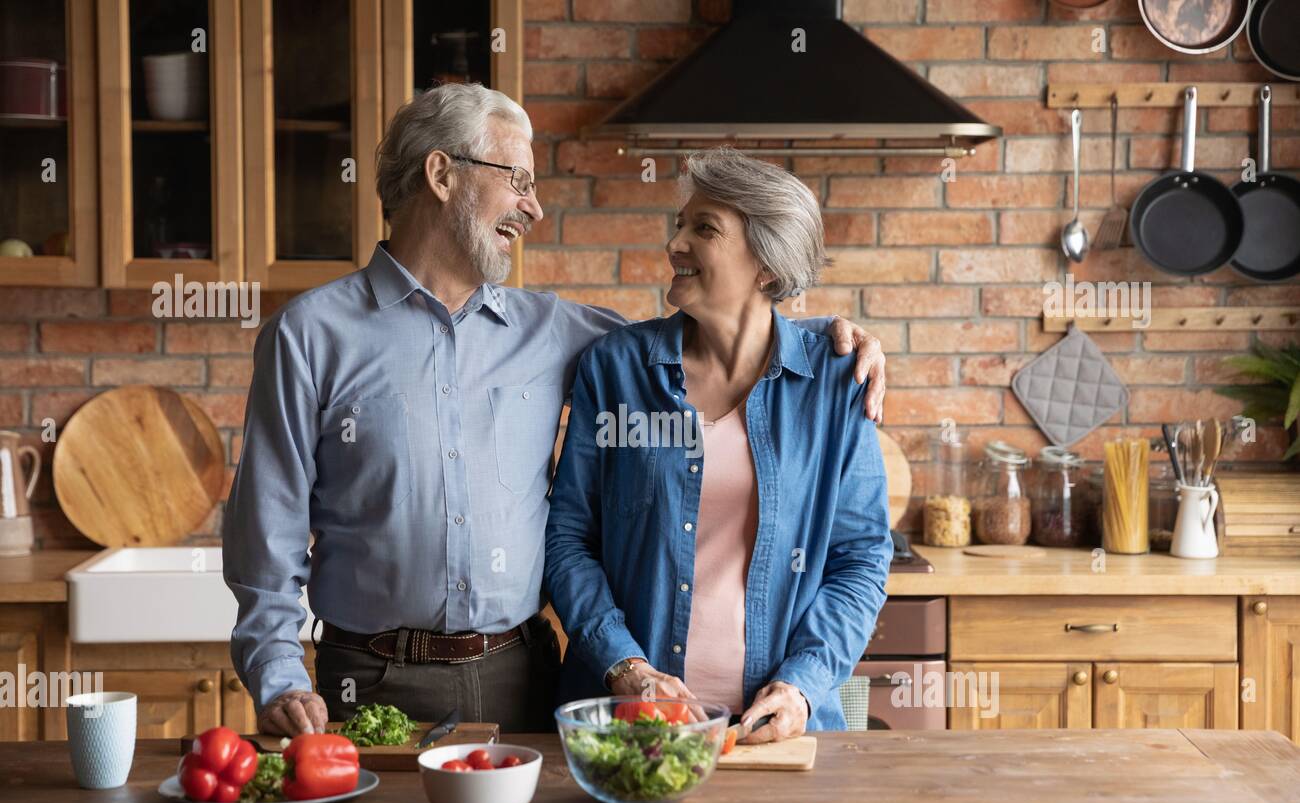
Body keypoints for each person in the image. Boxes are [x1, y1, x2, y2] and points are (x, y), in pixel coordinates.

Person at [224, 83, 888, 738]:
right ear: (441, 174)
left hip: (523, 674)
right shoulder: (309, 336)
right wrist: (279, 671)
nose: (534, 208)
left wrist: (826, 337)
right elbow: (267, 531)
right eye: (518, 180)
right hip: (366, 677)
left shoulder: (561, 333)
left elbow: (724, 336)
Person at [546, 148, 893, 740]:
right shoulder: (616, 371)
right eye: (679, 224)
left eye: (703, 228)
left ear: (766, 265)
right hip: (628, 730)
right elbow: (569, 538)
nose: (676, 244)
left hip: (775, 735)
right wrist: (625, 668)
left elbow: (859, 558)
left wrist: (802, 685)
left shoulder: (835, 381)